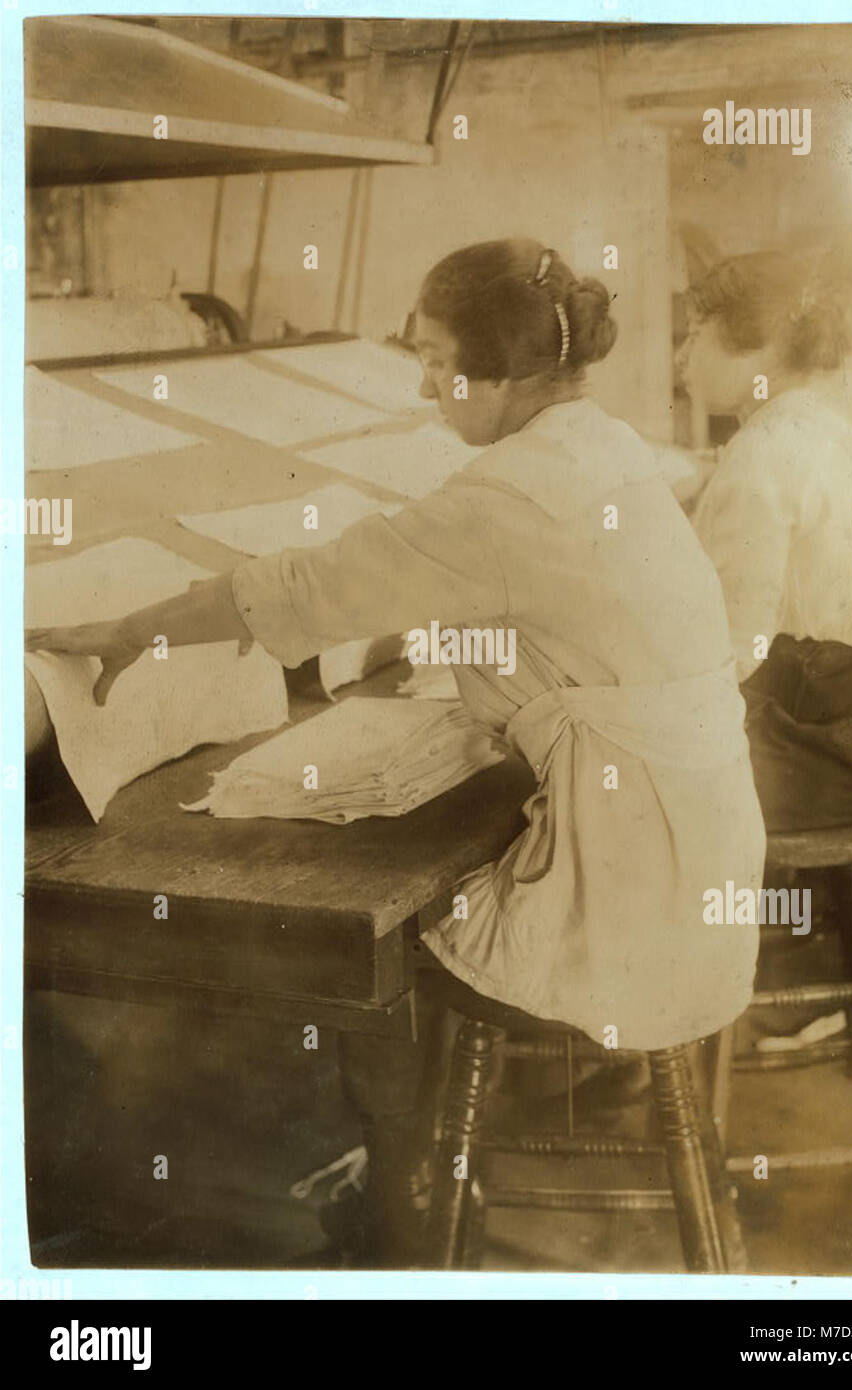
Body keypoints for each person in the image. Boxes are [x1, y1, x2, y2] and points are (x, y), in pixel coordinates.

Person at [28, 238, 766, 1263]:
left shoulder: (506, 496)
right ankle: (342, 1162)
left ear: (500, 374)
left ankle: (383, 1205)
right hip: (702, 835)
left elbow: (308, 585)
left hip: (638, 877)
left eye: (433, 360)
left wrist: (120, 632)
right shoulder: (597, 444)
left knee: (368, 950)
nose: (419, 385)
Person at [682, 251, 852, 832]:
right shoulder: (829, 426)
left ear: (764, 347)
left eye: (697, 335)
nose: (682, 356)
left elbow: (732, 653)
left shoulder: (762, 452)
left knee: (597, 765)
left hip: (814, 761)